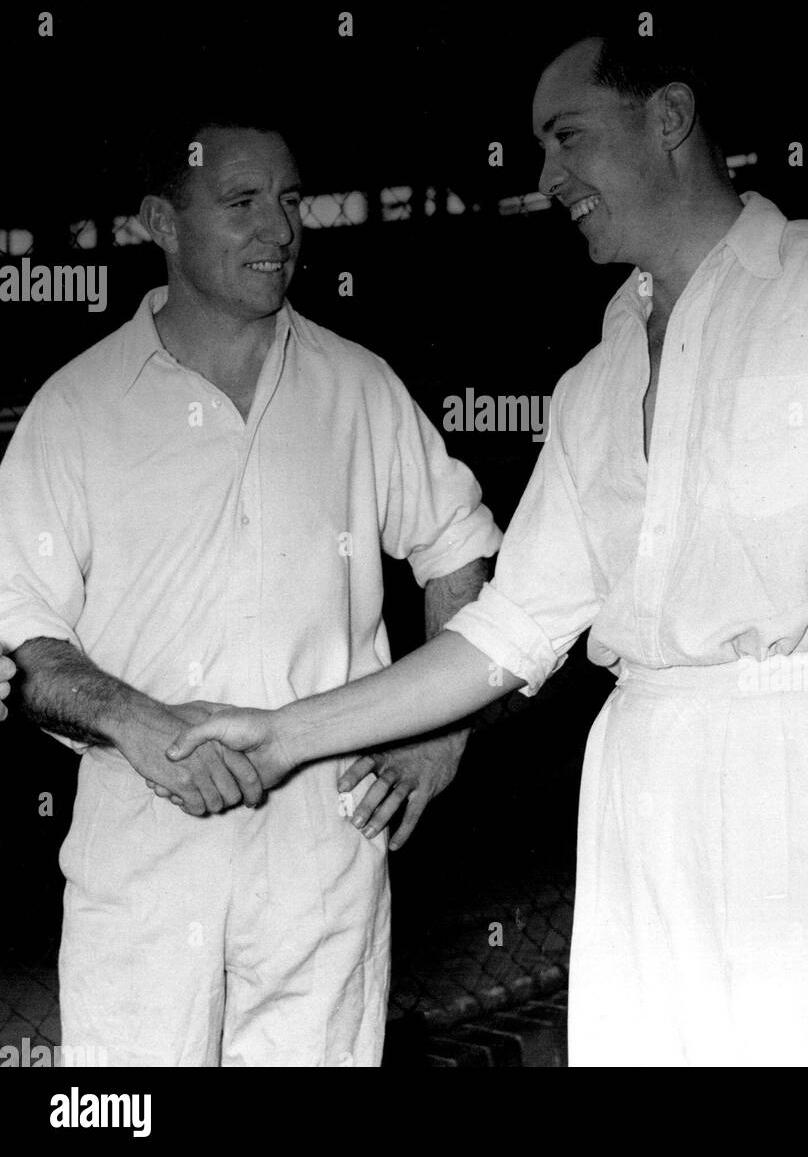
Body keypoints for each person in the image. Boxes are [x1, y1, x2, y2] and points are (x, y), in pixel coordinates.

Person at [169, 31, 808, 1068]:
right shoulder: (593, 379)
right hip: (636, 784)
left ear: (668, 119)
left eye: (565, 138)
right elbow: (503, 634)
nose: (547, 177)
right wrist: (283, 734)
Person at [0, 115, 501, 1066]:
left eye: (290, 202)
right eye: (241, 204)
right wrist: (136, 722)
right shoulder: (75, 408)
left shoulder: (359, 387)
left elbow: (458, 549)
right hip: (144, 831)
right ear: (162, 221)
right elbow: (22, 643)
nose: (279, 231)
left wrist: (442, 735)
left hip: (325, 827)